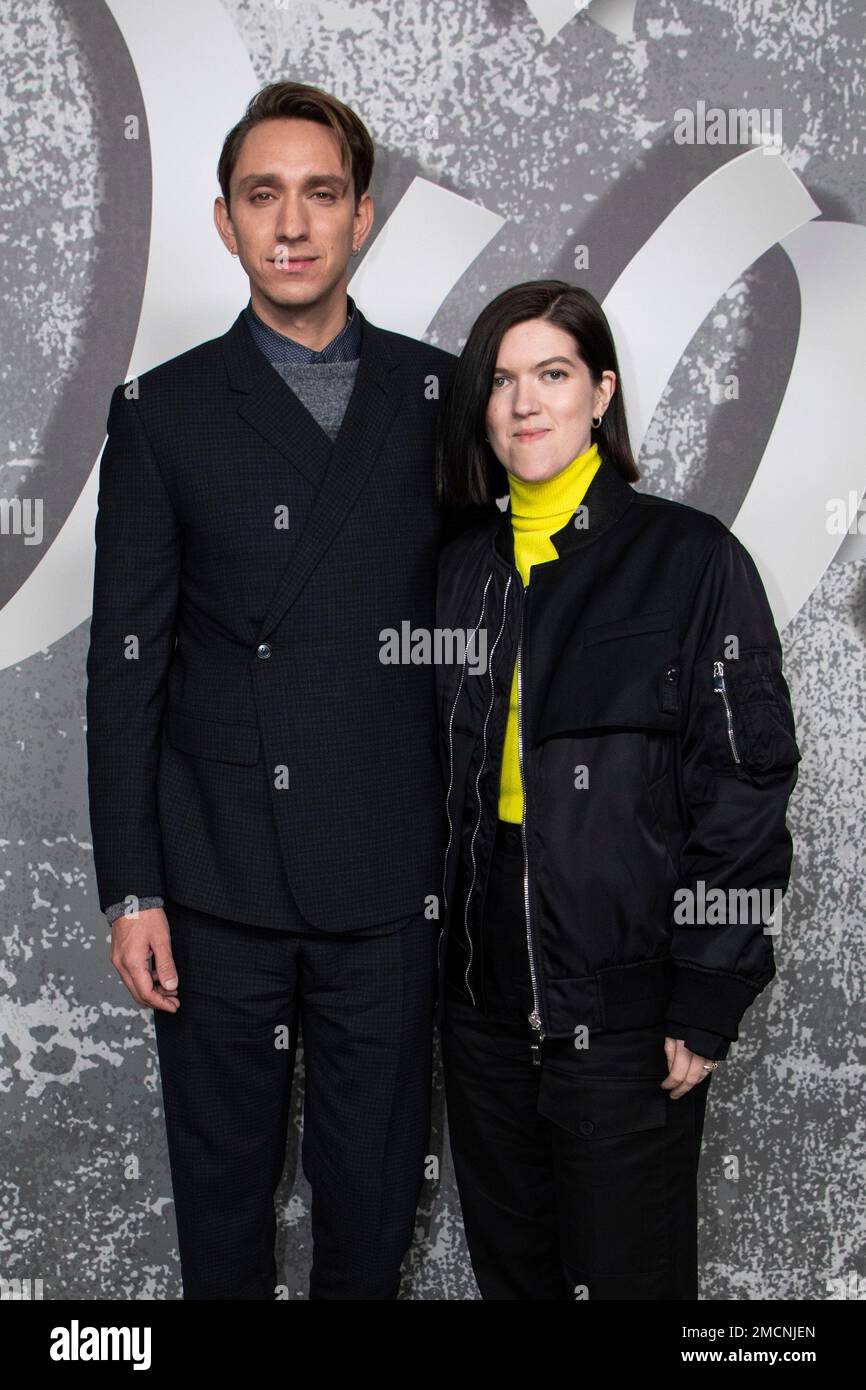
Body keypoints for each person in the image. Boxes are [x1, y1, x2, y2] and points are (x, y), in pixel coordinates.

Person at [86, 81, 456, 1299]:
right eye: (263, 195)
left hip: (391, 876)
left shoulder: (444, 400)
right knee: (224, 1205)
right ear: (224, 223)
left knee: (373, 1207)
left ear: (361, 218)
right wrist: (132, 886)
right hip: (214, 886)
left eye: (320, 193)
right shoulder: (160, 413)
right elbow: (127, 662)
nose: (290, 222)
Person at [432, 280, 801, 1300]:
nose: (523, 402)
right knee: (515, 1279)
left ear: (598, 393)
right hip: (481, 1004)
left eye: (550, 374)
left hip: (625, 1006)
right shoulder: (458, 569)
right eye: (500, 381)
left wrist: (708, 991)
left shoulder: (687, 562)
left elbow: (746, 778)